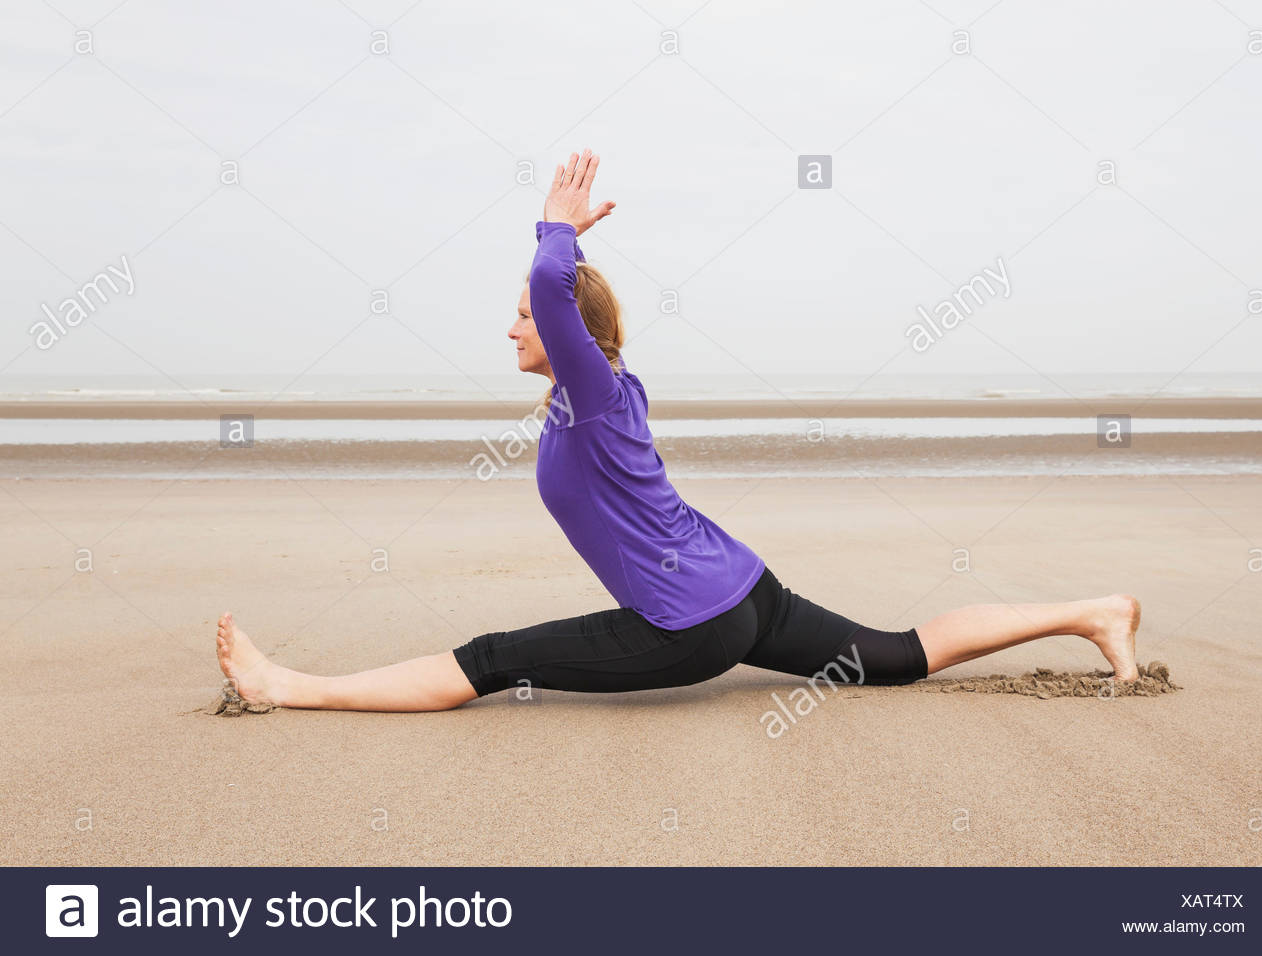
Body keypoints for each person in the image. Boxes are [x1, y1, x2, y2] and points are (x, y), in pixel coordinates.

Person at [215, 149, 1140, 713]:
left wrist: (558, 226)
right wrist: (562, 246)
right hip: (743, 588)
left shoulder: (594, 390)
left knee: (494, 663)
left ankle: (288, 687)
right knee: (897, 656)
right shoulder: (610, 391)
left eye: (523, 322)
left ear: (567, 332)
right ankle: (1093, 612)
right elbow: (550, 301)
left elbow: (547, 286)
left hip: (690, 624)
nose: (511, 329)